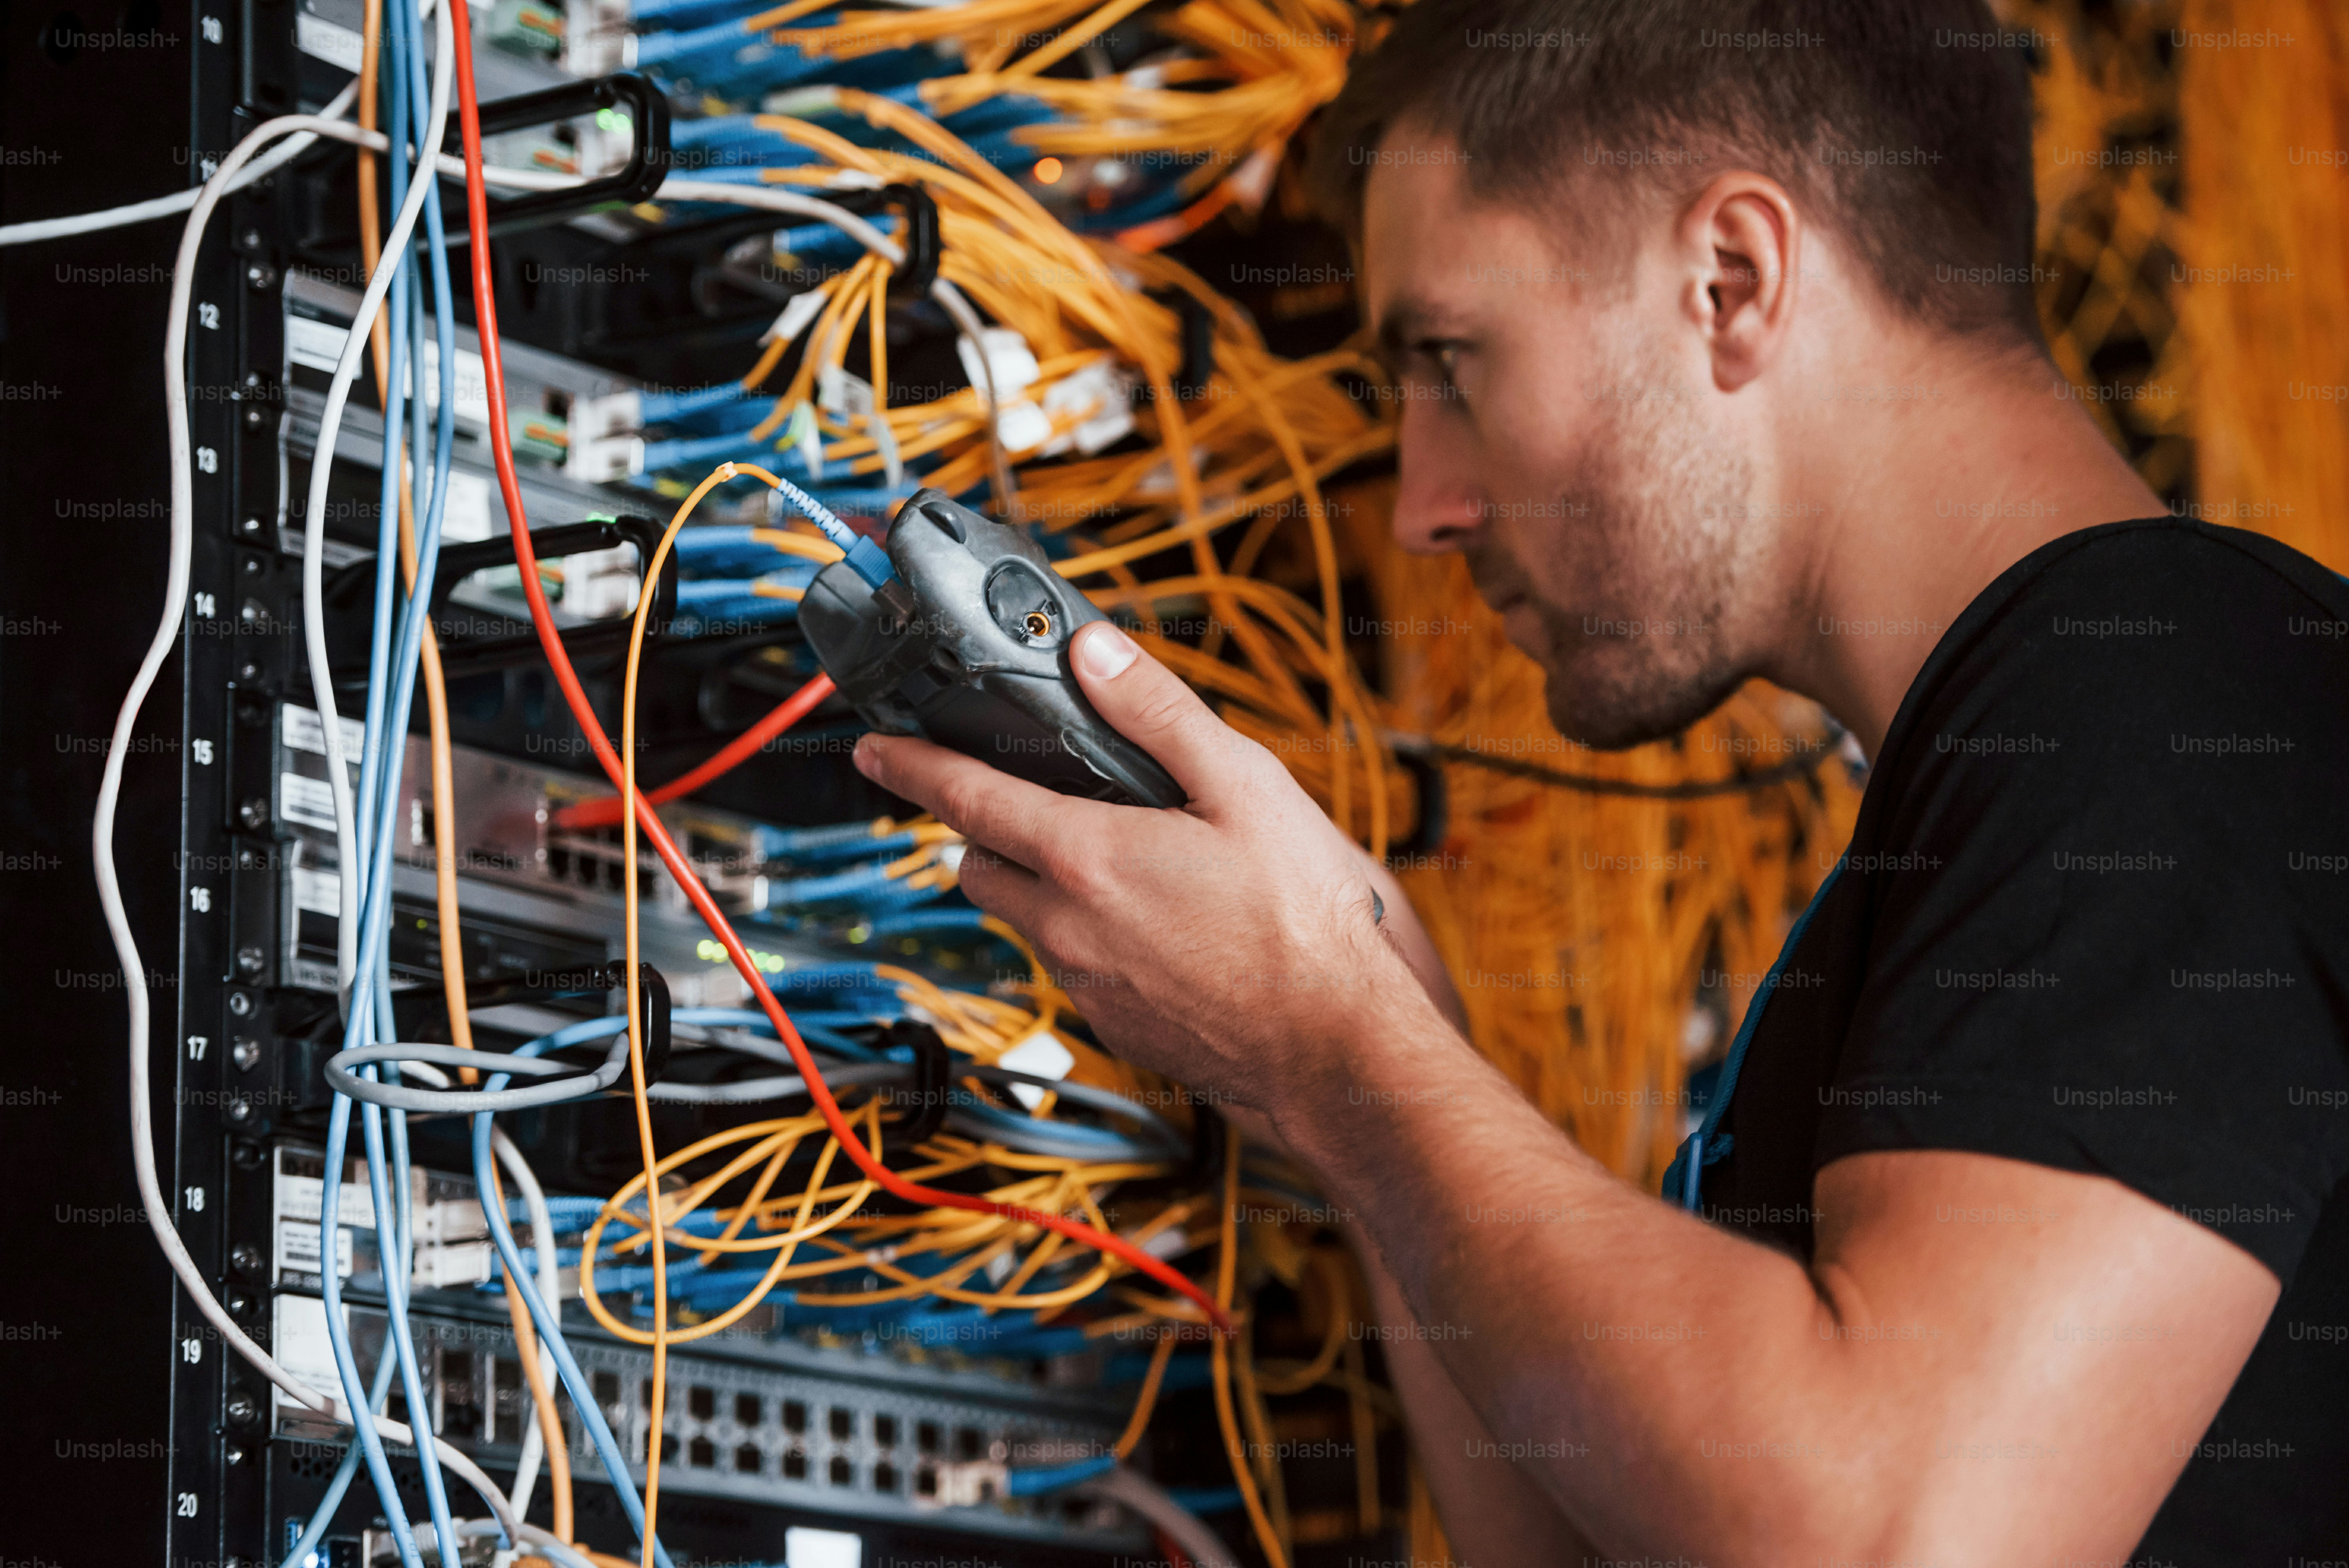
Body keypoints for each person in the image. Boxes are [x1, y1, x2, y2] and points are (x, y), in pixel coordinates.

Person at [855, 2, 2349, 1561]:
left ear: (1730, 283)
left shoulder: (2168, 679)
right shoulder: (1998, 798)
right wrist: (1378, 1032)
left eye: (1446, 357)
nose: (1424, 506)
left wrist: (1346, 1060)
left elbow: (1897, 1538)